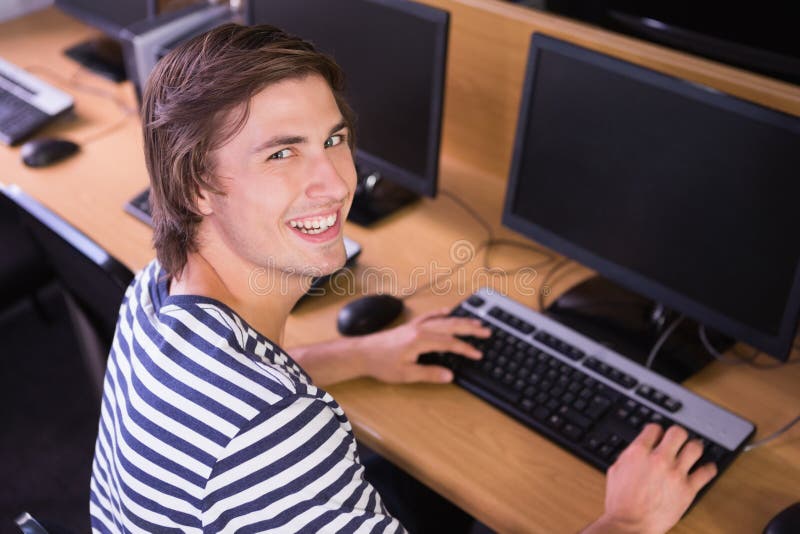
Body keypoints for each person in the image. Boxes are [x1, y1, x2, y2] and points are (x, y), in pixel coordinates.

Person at [89, 23, 717, 533]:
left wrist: (361, 352)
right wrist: (629, 518)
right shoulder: (270, 439)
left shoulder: (155, 290)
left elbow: (240, 399)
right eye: (281, 153)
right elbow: (257, 431)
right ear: (197, 185)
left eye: (333, 139)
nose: (336, 183)